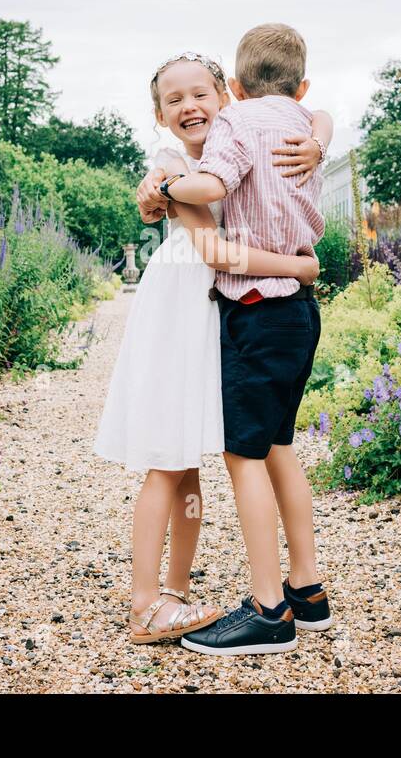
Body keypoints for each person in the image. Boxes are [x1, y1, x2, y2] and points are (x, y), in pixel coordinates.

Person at [94, 50, 332, 644]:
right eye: (173, 100)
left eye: (200, 94)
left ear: (229, 99)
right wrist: (300, 269)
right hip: (182, 318)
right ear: (159, 116)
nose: (189, 106)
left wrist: (320, 139)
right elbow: (219, 254)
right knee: (169, 461)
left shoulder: (243, 146)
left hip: (220, 321)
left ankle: (175, 591)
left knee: (192, 460)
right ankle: (146, 602)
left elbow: (314, 111)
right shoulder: (175, 170)